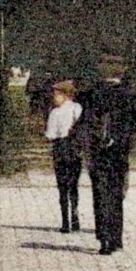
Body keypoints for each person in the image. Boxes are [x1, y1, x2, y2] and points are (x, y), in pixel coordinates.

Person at [83, 58, 136, 255]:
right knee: (116, 194)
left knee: (100, 193)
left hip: (97, 151)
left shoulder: (93, 95)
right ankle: (116, 237)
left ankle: (103, 237)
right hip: (119, 153)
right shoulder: (129, 96)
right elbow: (134, 125)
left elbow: (86, 123)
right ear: (120, 73)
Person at [44, 80, 86, 234]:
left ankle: (65, 221)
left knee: (62, 185)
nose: (54, 97)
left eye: (56, 94)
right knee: (73, 184)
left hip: (61, 148)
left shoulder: (55, 112)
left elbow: (50, 134)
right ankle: (75, 217)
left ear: (65, 94)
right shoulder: (78, 108)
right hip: (75, 149)